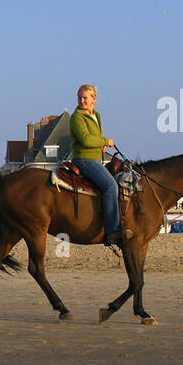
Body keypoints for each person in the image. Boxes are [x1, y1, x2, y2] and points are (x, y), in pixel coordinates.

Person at [69, 83, 132, 246]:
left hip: (95, 158)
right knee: (111, 186)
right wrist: (106, 141)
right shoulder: (76, 117)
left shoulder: (96, 115)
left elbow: (94, 139)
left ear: (93, 99)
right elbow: (85, 139)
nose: (82, 101)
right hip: (84, 159)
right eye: (79, 98)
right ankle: (112, 231)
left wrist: (101, 146)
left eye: (85, 98)